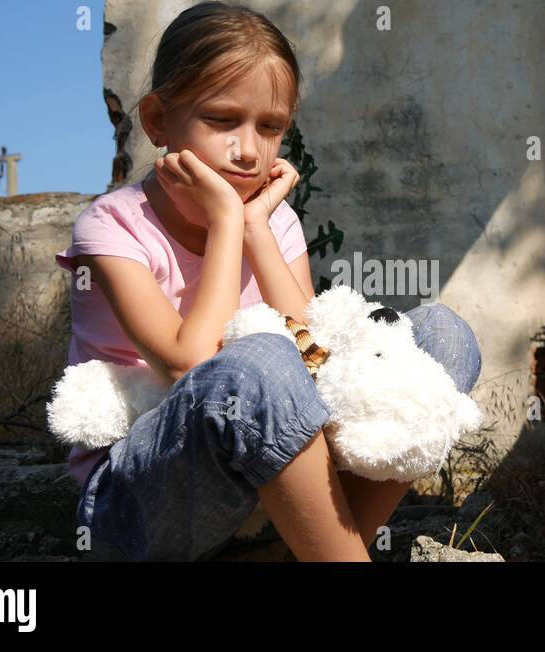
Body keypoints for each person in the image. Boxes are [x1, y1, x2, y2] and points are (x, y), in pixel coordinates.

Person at [54, 1, 482, 562]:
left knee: (441, 336)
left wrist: (256, 226)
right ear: (157, 120)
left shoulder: (271, 218)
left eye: (271, 127)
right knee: (259, 362)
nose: (249, 150)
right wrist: (228, 221)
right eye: (222, 120)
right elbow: (190, 363)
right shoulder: (111, 227)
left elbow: (321, 357)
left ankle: (319, 542)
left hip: (264, 484)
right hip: (143, 497)